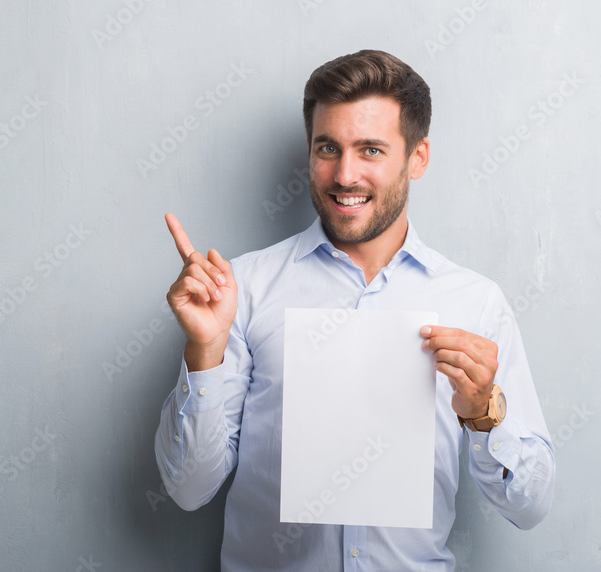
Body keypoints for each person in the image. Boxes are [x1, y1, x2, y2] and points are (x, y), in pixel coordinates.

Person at [154, 49, 555, 571]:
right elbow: (188, 490)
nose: (344, 175)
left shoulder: (475, 302)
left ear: (418, 156)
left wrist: (483, 415)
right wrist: (204, 350)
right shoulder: (242, 290)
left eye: (370, 150)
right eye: (328, 148)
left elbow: (531, 506)